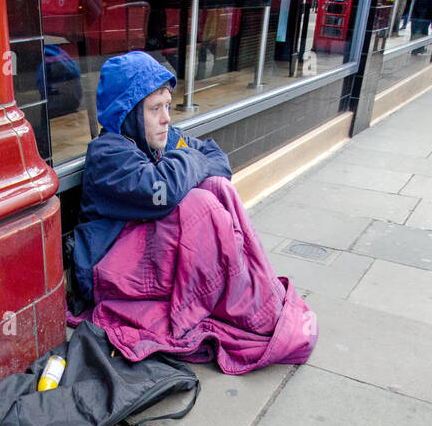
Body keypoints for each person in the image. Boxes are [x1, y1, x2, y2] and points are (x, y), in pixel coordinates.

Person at [71, 52, 316, 373]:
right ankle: (240, 301)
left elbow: (218, 160)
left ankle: (250, 294)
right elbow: (161, 190)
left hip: (147, 257)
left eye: (168, 107)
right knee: (199, 205)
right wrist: (189, 161)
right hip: (106, 271)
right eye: (154, 109)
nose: (166, 119)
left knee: (217, 187)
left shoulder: (161, 139)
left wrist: (189, 162)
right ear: (128, 113)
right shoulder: (108, 153)